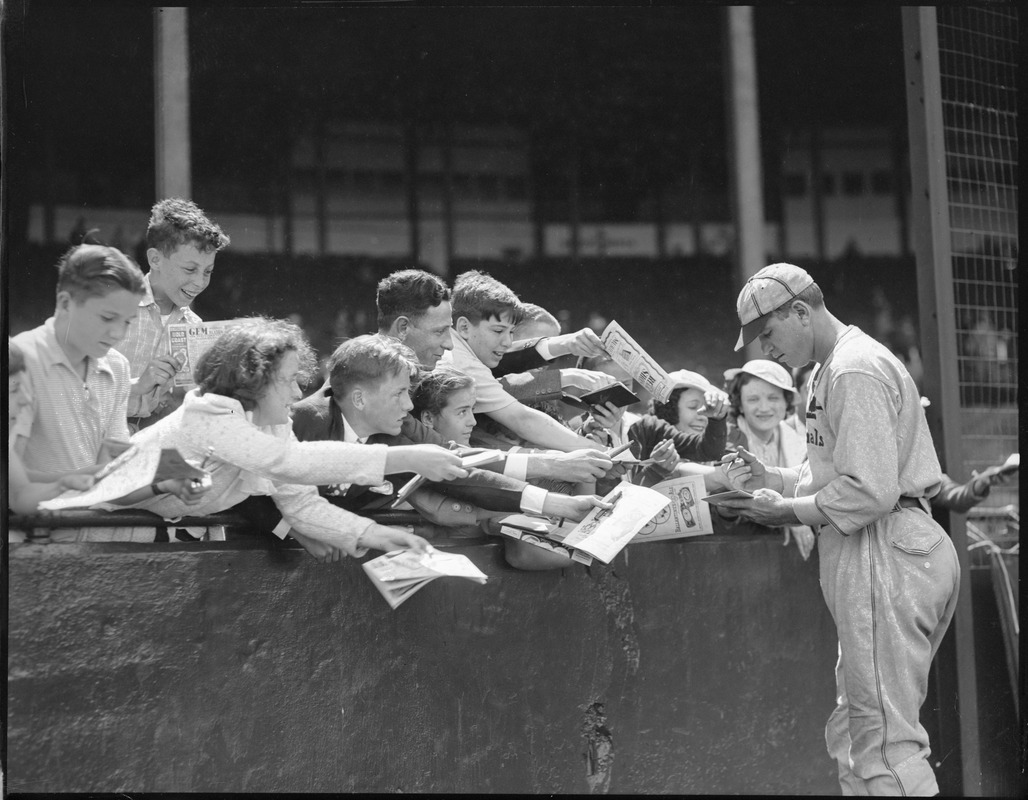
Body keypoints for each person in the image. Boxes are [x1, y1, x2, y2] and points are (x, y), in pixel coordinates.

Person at [719, 263, 959, 795]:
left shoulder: (853, 367)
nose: (764, 349)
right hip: (887, 548)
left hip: (887, 547)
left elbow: (869, 490)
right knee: (858, 733)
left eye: (768, 332)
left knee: (885, 745)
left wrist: (785, 511)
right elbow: (832, 473)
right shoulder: (833, 365)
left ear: (800, 311)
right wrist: (774, 479)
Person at [123, 318, 467, 561]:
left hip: (152, 531)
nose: (298, 390)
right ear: (252, 382)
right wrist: (404, 459)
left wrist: (376, 535)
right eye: (286, 380)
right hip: (99, 527)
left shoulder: (272, 424)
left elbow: (300, 503)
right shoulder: (212, 413)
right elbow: (292, 463)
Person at [376, 269, 613, 486]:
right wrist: (585, 456)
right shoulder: (449, 362)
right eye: (441, 331)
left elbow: (500, 369)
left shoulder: (448, 352)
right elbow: (517, 419)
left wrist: (563, 350)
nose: (449, 342)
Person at [439, 270, 606, 453]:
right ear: (463, 327)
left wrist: (567, 345)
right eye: (498, 331)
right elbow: (522, 419)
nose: (508, 342)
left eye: (510, 332)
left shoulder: (465, 349)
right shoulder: (459, 361)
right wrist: (598, 451)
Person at [113, 198, 230, 432]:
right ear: (155, 259)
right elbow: (75, 385)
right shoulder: (113, 308)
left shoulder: (194, 327)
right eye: (190, 269)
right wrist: (136, 386)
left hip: (149, 438)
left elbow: (197, 401)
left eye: (208, 272)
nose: (199, 282)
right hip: (93, 438)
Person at [723, 359, 814, 560]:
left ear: (786, 401)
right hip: (736, 548)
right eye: (753, 399)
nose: (764, 408)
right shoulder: (728, 436)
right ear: (740, 402)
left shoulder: (798, 439)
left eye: (773, 398)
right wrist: (793, 520)